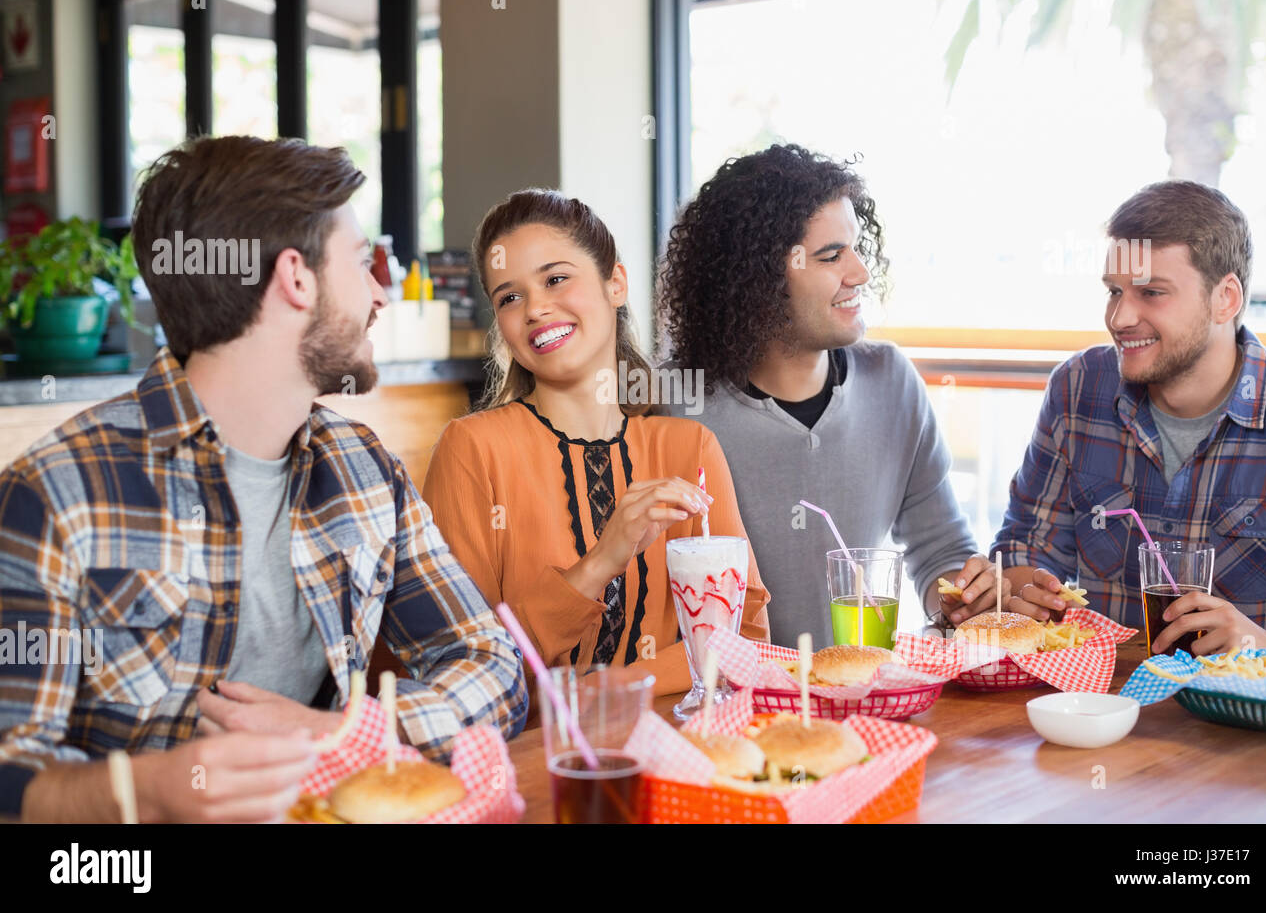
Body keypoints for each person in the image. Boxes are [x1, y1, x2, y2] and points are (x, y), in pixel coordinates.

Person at [0, 136, 526, 823]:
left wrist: (341, 732)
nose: (380, 293)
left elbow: (493, 666)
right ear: (295, 278)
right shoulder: (54, 494)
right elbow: (11, 768)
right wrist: (146, 789)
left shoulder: (364, 470)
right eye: (361, 263)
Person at [421, 189, 770, 697]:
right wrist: (601, 562)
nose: (536, 308)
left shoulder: (689, 448)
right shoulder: (472, 449)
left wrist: (609, 691)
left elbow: (746, 639)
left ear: (616, 284)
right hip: (537, 763)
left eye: (556, 278)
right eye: (510, 297)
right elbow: (460, 663)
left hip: (681, 750)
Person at [659, 143, 1004, 648]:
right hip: (735, 709)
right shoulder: (674, 404)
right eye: (830, 256)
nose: (860, 272)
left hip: (866, 695)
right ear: (758, 281)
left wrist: (961, 597)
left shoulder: (892, 383)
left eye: (856, 248)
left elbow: (940, 551)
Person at [990, 180, 1266, 654]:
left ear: (1226, 299)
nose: (1119, 317)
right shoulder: (1078, 388)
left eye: (1152, 292)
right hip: (1097, 707)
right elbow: (1022, 552)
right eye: (1114, 291)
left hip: (1248, 721)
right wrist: (1026, 594)